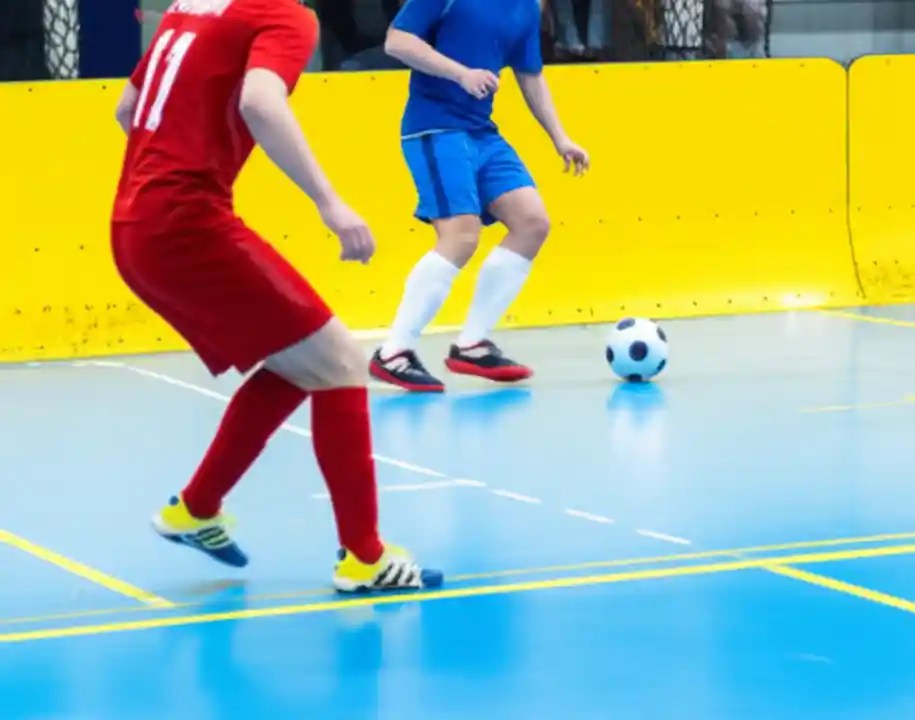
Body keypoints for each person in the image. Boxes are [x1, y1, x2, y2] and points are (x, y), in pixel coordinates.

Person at [110, 0, 439, 593]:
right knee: (339, 360)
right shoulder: (284, 15)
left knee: (303, 360)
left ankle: (196, 508)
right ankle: (365, 558)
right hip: (187, 222)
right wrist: (330, 204)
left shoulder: (187, 9)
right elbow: (260, 103)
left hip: (134, 223)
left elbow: (127, 109)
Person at [368, 0, 590, 393]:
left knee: (531, 223)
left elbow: (530, 75)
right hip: (434, 127)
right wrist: (460, 75)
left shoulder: (527, 8)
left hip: (481, 132)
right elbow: (397, 42)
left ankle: (471, 344)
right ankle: (393, 352)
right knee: (461, 236)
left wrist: (560, 137)